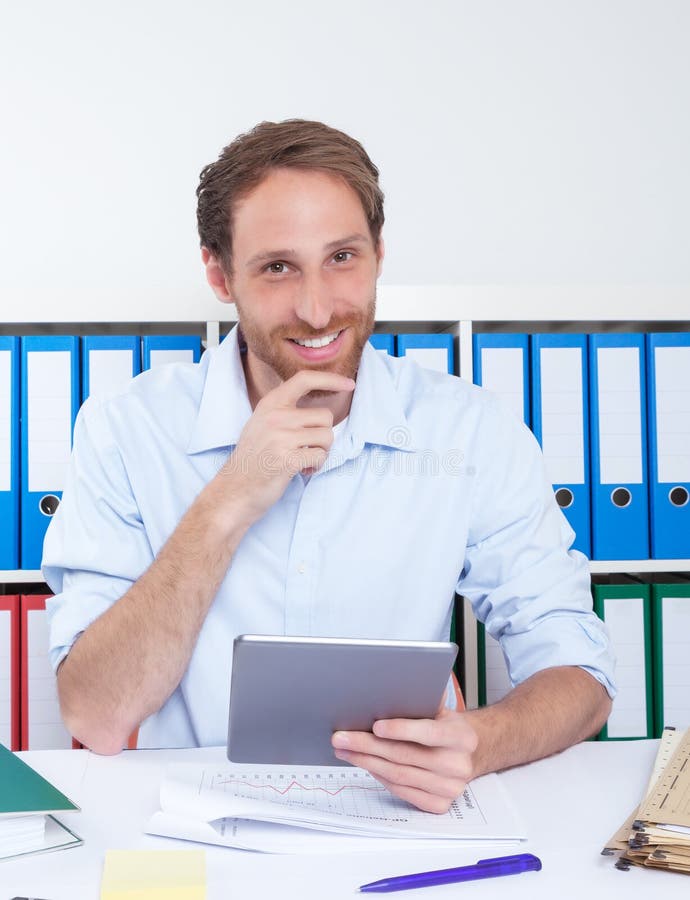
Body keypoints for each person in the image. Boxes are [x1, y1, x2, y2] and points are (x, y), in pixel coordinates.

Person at [43, 119, 614, 814]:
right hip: (199, 829)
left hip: (403, 821)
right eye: (277, 267)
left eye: (342, 257)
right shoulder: (126, 428)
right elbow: (96, 716)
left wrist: (483, 741)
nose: (317, 309)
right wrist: (231, 497)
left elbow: (580, 673)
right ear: (220, 276)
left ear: (378, 254)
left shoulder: (470, 430)